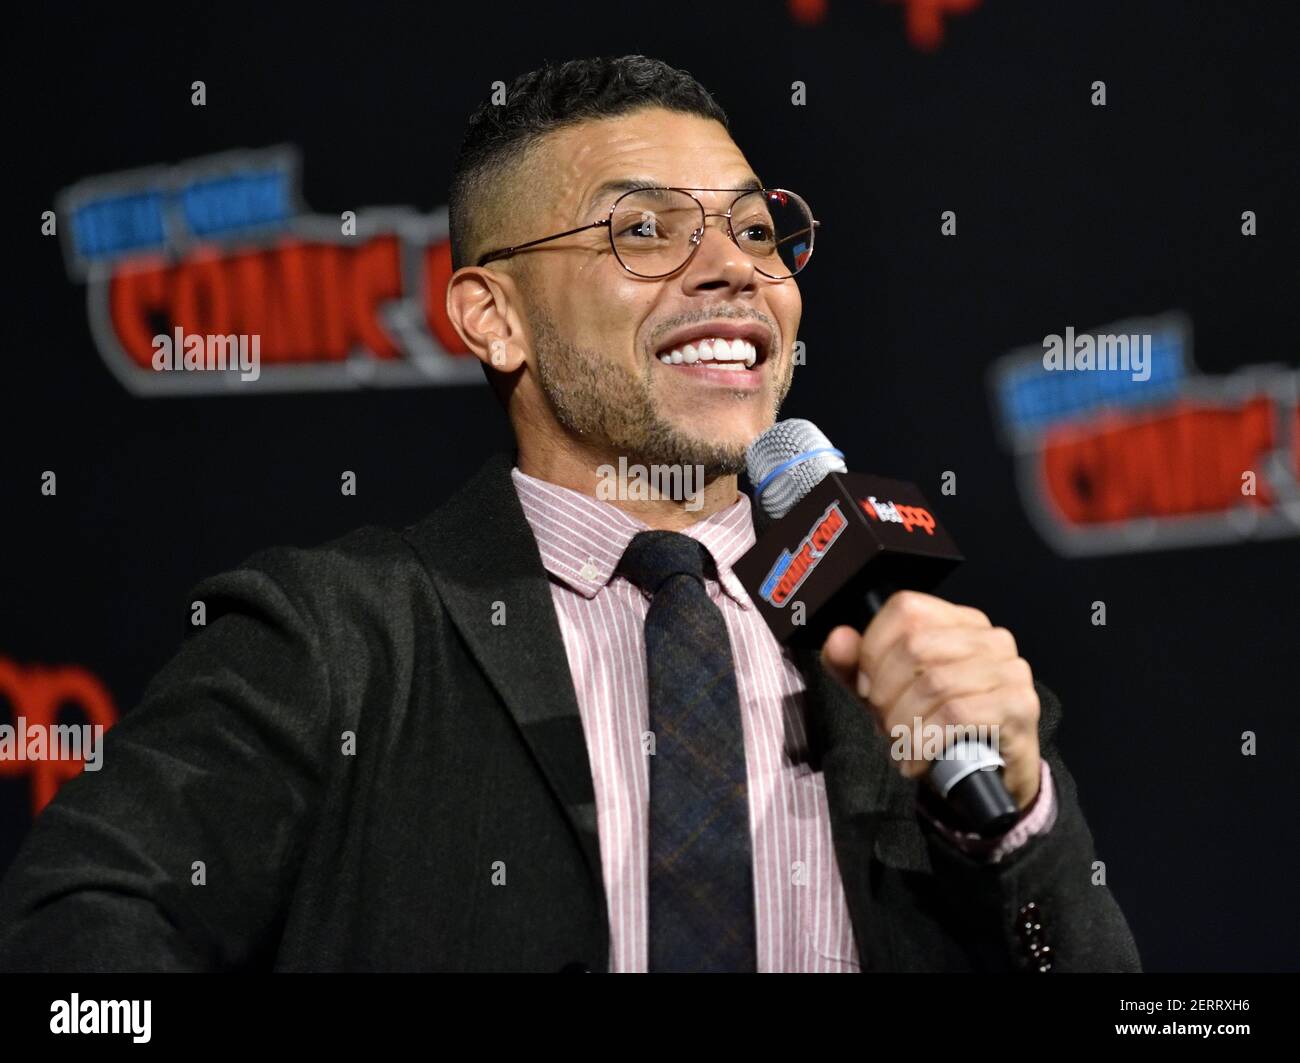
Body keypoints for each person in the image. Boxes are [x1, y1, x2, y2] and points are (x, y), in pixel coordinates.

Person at [0, 54, 1139, 973]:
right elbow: (79, 938)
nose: (733, 270)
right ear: (493, 318)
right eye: (642, 231)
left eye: (754, 229)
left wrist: (1016, 827)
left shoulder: (904, 650)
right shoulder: (335, 640)